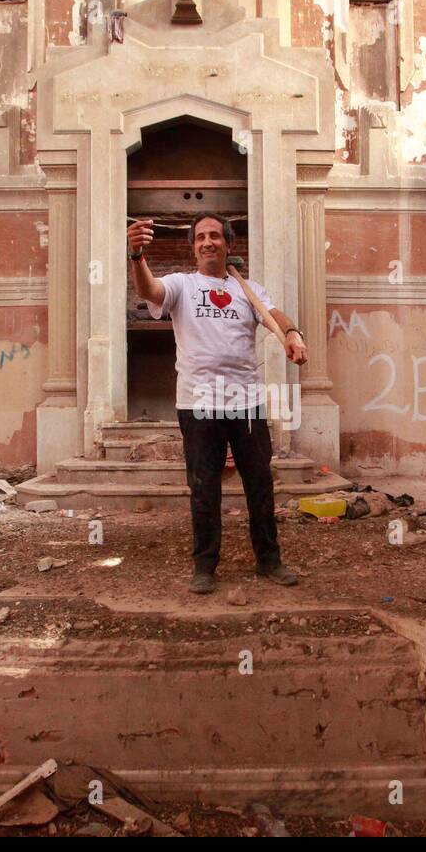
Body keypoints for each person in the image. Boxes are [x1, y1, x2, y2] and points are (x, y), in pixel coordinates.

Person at [127, 213, 309, 594]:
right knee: (204, 485)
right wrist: (137, 255)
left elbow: (273, 315)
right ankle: (205, 565)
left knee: (259, 483)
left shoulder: (249, 289)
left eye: (214, 236)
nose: (207, 242)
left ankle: (269, 560)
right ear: (194, 247)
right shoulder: (182, 285)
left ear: (229, 244)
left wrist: (292, 332)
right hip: (198, 401)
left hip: (247, 400)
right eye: (200, 237)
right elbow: (149, 292)